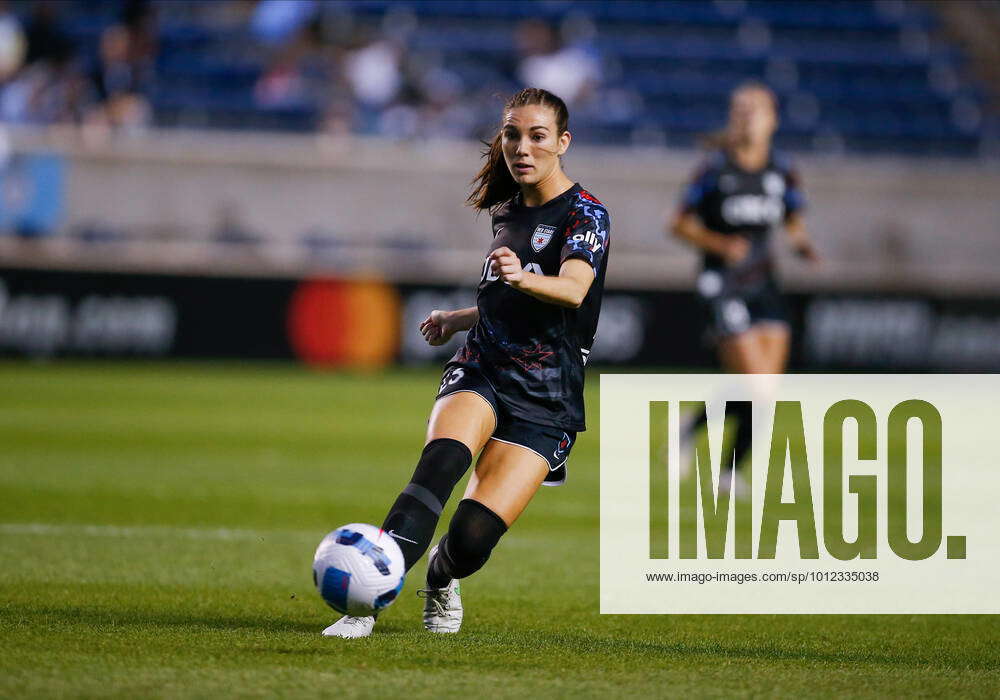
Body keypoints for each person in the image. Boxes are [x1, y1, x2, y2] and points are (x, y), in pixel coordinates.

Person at [324, 87, 611, 638]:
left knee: (473, 539)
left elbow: (574, 289)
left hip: (548, 394)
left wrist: (521, 277)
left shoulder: (587, 214)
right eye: (511, 135)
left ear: (563, 142)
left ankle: (441, 575)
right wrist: (459, 319)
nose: (522, 147)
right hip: (483, 366)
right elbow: (505, 299)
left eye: (537, 136)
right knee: (439, 467)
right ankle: (363, 606)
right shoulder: (507, 209)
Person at [670, 82, 819, 484]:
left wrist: (801, 243)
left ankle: (726, 466)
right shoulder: (714, 169)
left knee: (765, 388)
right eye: (741, 108)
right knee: (755, 383)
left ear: (773, 119)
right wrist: (719, 243)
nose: (749, 115)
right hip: (722, 283)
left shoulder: (781, 169)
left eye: (757, 108)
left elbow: (792, 215)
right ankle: (706, 444)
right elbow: (679, 224)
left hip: (764, 282)